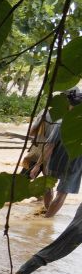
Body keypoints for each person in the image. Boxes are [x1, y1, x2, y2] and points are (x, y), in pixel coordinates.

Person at [35, 88, 82, 218]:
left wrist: (37, 165)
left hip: (56, 161)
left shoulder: (62, 122)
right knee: (62, 194)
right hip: (75, 165)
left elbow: (49, 146)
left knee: (48, 186)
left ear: (69, 107)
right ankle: (47, 220)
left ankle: (45, 215)